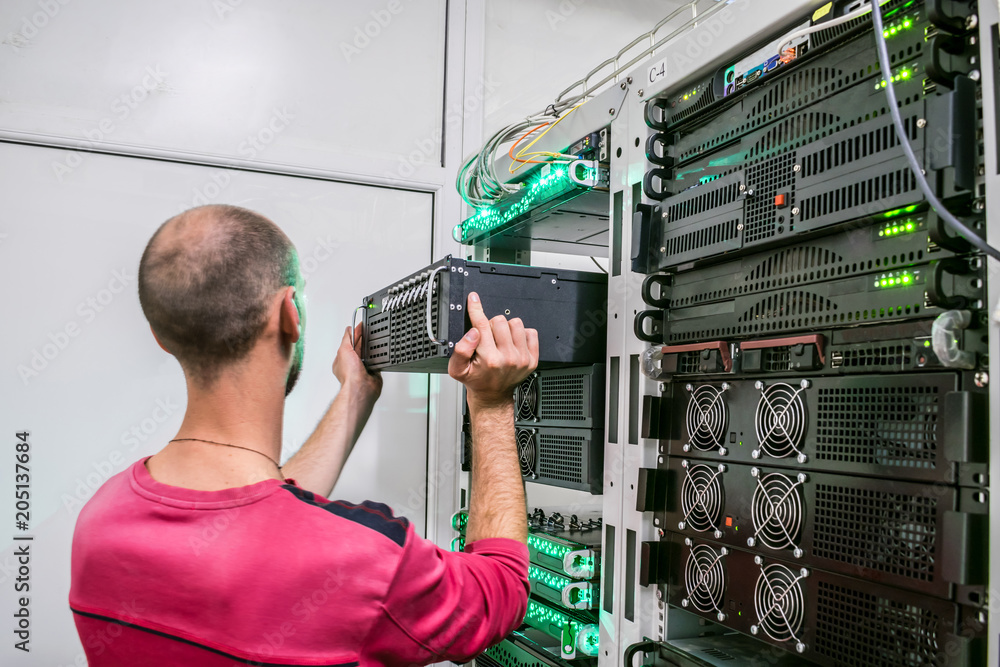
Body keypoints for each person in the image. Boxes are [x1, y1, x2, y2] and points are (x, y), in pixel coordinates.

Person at [69, 204, 539, 666]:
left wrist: (355, 394)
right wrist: (492, 402)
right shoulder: (367, 559)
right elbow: (501, 588)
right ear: (290, 314)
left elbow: (264, 518)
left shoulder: (101, 521)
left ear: (159, 335)